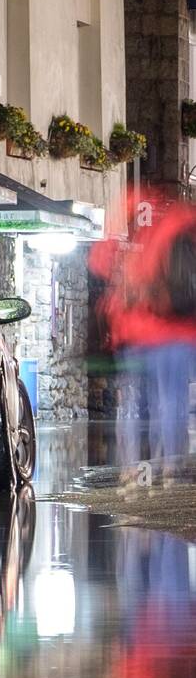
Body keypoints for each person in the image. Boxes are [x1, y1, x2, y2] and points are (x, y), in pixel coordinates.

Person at [102, 192, 196, 478]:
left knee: (132, 400)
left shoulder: (135, 235)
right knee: (170, 399)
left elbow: (100, 262)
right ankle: (169, 461)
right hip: (178, 333)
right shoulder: (179, 223)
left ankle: (132, 467)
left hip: (136, 334)